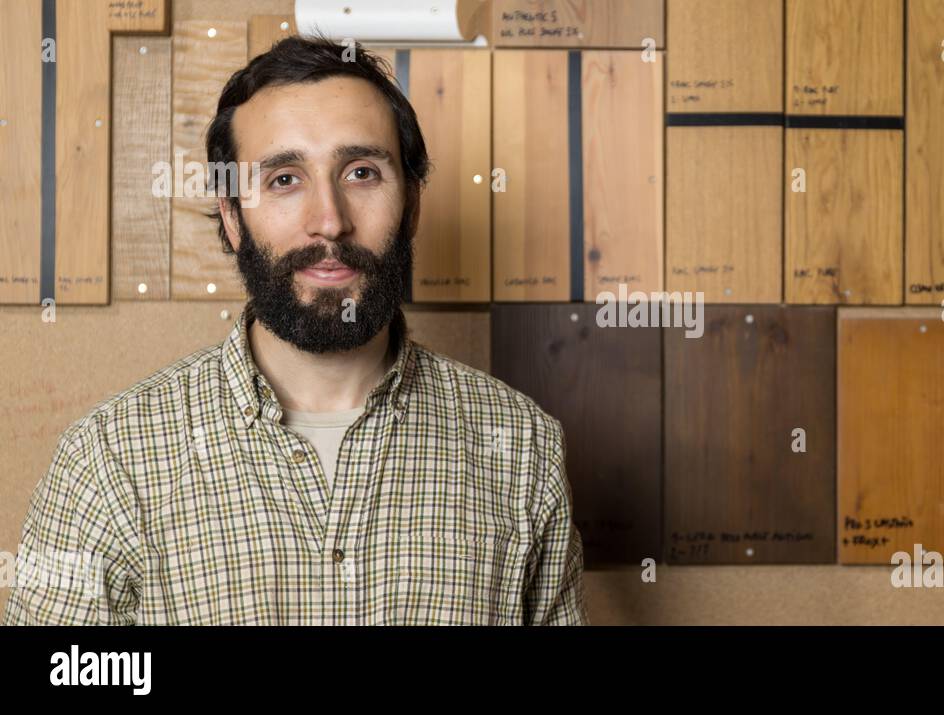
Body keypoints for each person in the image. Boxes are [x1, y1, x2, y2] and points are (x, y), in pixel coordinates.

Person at [2, 35, 587, 625]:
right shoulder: (109, 458)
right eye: (283, 178)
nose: (328, 220)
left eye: (361, 171)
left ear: (411, 205)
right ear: (232, 217)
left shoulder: (522, 449)